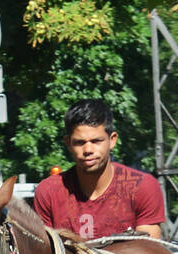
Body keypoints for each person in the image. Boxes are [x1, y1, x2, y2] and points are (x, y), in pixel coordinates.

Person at [33, 100, 165, 240]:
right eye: (79, 142)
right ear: (68, 144)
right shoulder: (48, 192)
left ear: (112, 140)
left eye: (96, 141)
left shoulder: (142, 187)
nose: (88, 150)